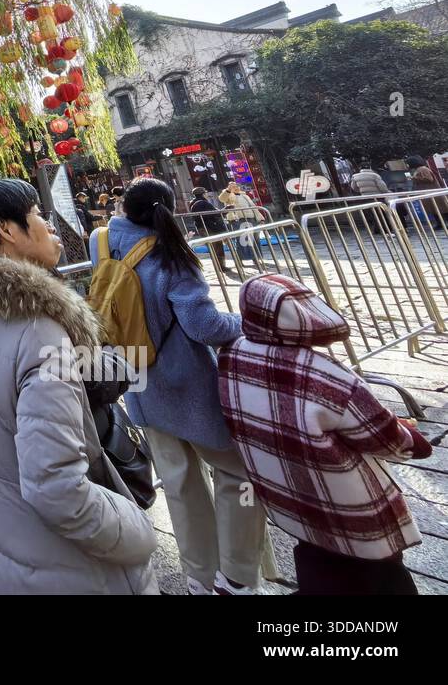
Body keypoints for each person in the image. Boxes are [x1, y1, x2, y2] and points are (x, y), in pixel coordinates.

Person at [0, 178, 158, 594]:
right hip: (68, 568)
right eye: (38, 216)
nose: (50, 226)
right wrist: (138, 534)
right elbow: (56, 487)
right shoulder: (39, 331)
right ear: (7, 231)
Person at [90, 177, 270, 595]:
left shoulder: (102, 244)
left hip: (139, 382)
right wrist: (249, 324)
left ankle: (198, 578)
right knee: (237, 474)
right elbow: (204, 326)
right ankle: (239, 575)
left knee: (179, 483)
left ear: (124, 210)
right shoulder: (173, 258)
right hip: (189, 386)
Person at [219, 273, 433, 595]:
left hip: (287, 493)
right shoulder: (324, 374)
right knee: (382, 577)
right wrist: (412, 438)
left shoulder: (232, 354)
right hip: (346, 504)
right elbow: (385, 437)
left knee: (315, 558)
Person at [188, 186, 233, 275]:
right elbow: (215, 214)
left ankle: (219, 266)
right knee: (217, 247)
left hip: (203, 228)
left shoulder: (193, 203)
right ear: (203, 194)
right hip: (210, 228)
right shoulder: (202, 203)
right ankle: (221, 266)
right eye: (205, 193)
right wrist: (226, 209)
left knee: (213, 248)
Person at [218, 182, 261, 267]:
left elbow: (253, 206)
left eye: (237, 186)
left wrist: (260, 218)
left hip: (250, 218)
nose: (236, 187)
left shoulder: (245, 195)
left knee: (254, 239)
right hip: (237, 219)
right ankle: (239, 260)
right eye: (233, 186)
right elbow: (222, 199)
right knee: (241, 240)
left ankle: (255, 258)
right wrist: (228, 190)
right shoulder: (228, 194)